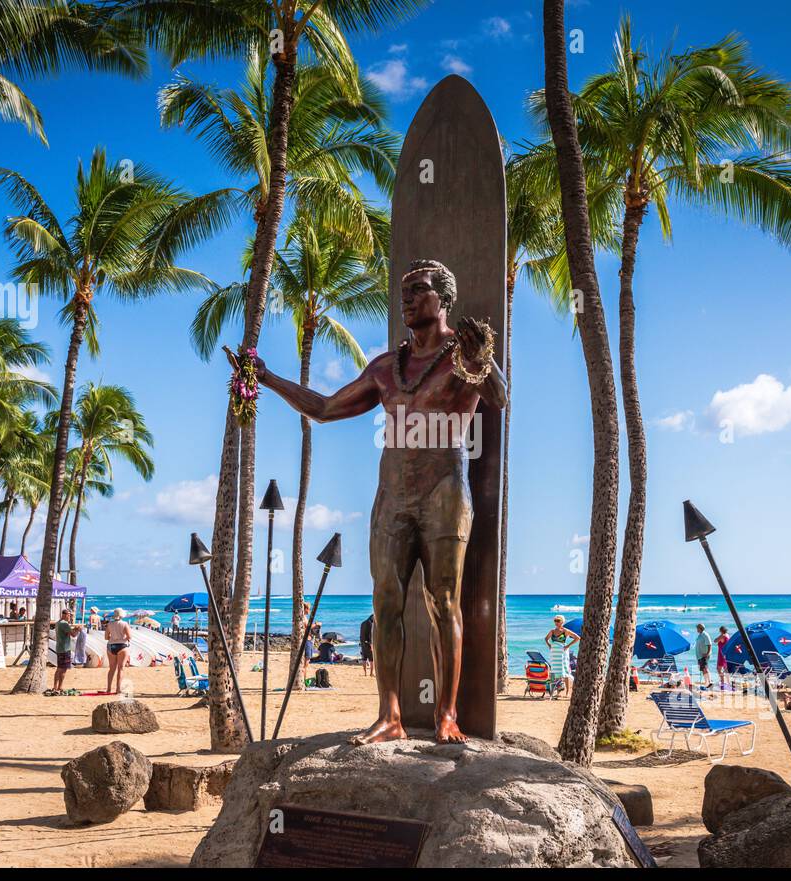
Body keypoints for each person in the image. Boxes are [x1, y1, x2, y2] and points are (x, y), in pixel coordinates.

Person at [242, 259, 506, 744]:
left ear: (443, 299)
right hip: (392, 497)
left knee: (443, 602)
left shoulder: (463, 356)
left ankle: (447, 715)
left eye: (418, 289)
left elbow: (501, 398)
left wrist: (483, 357)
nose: (406, 298)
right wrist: (270, 377)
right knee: (385, 601)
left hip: (445, 493)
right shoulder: (387, 368)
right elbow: (323, 409)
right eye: (403, 291)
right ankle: (390, 716)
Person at [544, 615, 581, 697]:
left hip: (562, 654)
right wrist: (549, 645)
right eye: (555, 621)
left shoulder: (565, 631)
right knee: (554, 673)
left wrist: (567, 646)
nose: (556, 622)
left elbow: (577, 638)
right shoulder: (552, 631)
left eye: (558, 621)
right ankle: (555, 691)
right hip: (554, 654)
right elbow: (546, 639)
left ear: (562, 622)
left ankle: (567, 692)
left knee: (564, 672)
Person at [104, 608, 133, 695]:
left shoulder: (110, 624)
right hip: (122, 646)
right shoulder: (124, 624)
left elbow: (106, 637)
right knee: (121, 669)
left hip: (111, 646)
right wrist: (121, 638)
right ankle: (118, 689)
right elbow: (129, 636)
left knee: (111, 669)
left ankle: (108, 689)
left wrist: (113, 638)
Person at [50, 609, 74, 694]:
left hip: (59, 647)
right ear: (65, 615)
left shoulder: (58, 623)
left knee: (59, 668)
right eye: (69, 615)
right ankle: (60, 687)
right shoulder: (64, 623)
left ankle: (55, 686)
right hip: (65, 649)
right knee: (63, 669)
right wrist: (78, 629)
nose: (70, 616)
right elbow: (73, 634)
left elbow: (65, 633)